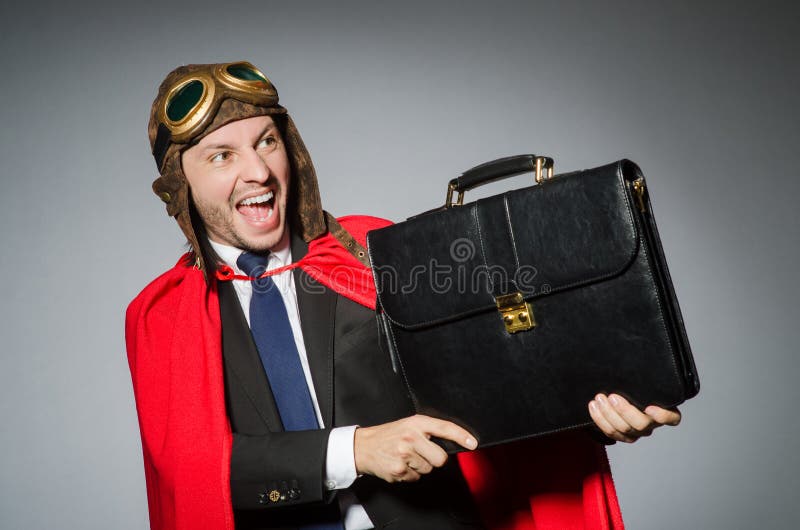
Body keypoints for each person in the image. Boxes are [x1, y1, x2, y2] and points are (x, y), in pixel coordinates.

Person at [126, 61, 681, 530]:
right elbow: (196, 472)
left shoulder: (372, 250)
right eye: (221, 155)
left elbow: (493, 371)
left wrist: (591, 413)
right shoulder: (162, 317)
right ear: (180, 187)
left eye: (266, 141)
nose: (258, 171)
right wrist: (356, 450)